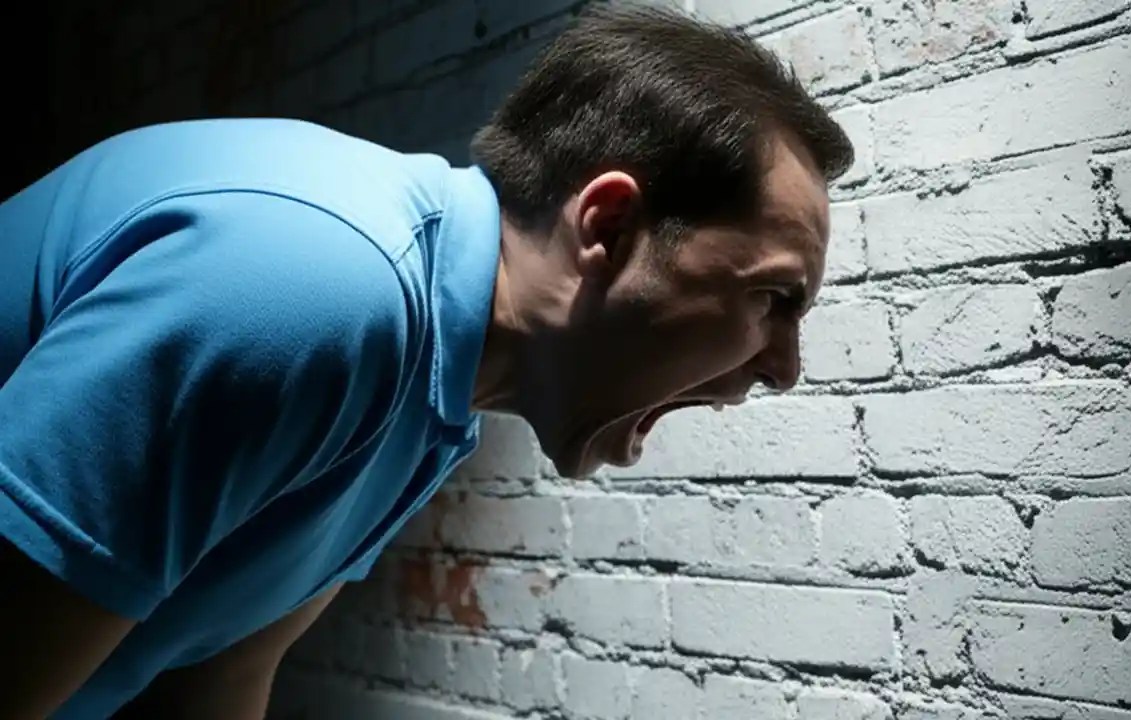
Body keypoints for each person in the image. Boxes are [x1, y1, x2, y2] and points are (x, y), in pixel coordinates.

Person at [0, 4, 853, 718]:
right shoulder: (320, 286)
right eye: (774, 298)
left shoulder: (435, 388)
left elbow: (217, 671)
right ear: (609, 228)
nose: (784, 369)